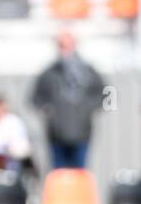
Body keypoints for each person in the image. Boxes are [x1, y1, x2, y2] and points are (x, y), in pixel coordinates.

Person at [30, 31, 105, 170]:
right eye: (62, 46)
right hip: (56, 134)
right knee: (59, 174)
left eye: (68, 46)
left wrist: (88, 108)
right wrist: (49, 112)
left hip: (82, 132)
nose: (66, 50)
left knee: (79, 173)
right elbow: (35, 98)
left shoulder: (88, 71)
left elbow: (107, 93)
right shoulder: (49, 73)